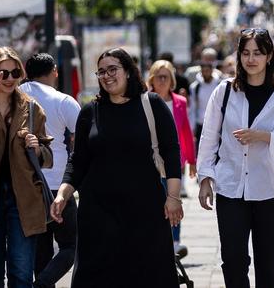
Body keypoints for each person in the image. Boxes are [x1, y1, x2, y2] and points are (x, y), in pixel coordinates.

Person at [52, 48, 182, 287]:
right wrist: (63, 194)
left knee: (146, 277)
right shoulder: (91, 111)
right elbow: (78, 160)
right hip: (98, 216)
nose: (107, 76)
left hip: (145, 213)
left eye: (113, 69)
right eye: (101, 71)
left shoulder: (151, 104)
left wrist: (173, 197)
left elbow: (172, 152)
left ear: (128, 72)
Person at [197, 28, 274, 288]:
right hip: (230, 189)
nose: (251, 59)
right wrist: (205, 178)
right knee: (233, 262)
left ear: (269, 56)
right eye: (245, 53)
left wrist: (265, 136)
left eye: (258, 53)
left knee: (267, 267)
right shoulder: (224, 92)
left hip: (271, 190)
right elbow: (209, 137)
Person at [0, 47, 53, 288]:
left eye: (14, 72)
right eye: (1, 73)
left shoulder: (32, 108)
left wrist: (37, 149)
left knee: (22, 274)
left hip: (24, 198)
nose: (8, 78)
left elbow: (48, 157)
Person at [18, 53, 81, 288]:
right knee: (71, 246)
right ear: (54, 71)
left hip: (24, 183)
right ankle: (42, 284)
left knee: (41, 248)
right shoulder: (63, 100)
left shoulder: (14, 96)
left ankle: (41, 282)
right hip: (57, 184)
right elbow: (85, 137)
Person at [147, 59, 198, 256]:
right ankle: (158, 240)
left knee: (174, 198)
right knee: (155, 202)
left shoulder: (180, 102)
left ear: (172, 81)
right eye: (158, 77)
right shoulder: (145, 100)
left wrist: (192, 160)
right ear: (151, 78)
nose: (161, 81)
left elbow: (185, 132)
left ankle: (175, 242)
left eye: (165, 77)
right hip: (151, 160)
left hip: (174, 160)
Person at [188, 47, 223, 146]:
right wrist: (192, 128)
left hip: (218, 125)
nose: (206, 71)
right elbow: (193, 108)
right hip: (201, 125)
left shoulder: (221, 84)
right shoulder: (195, 87)